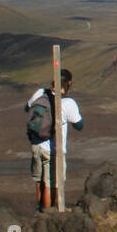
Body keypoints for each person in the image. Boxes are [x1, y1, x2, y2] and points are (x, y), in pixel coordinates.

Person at [25, 69, 83, 211]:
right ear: (69, 83)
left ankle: (40, 212)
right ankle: (47, 214)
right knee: (52, 184)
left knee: (40, 181)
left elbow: (26, 108)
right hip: (52, 149)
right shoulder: (68, 103)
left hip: (36, 144)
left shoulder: (40, 92)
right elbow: (79, 125)